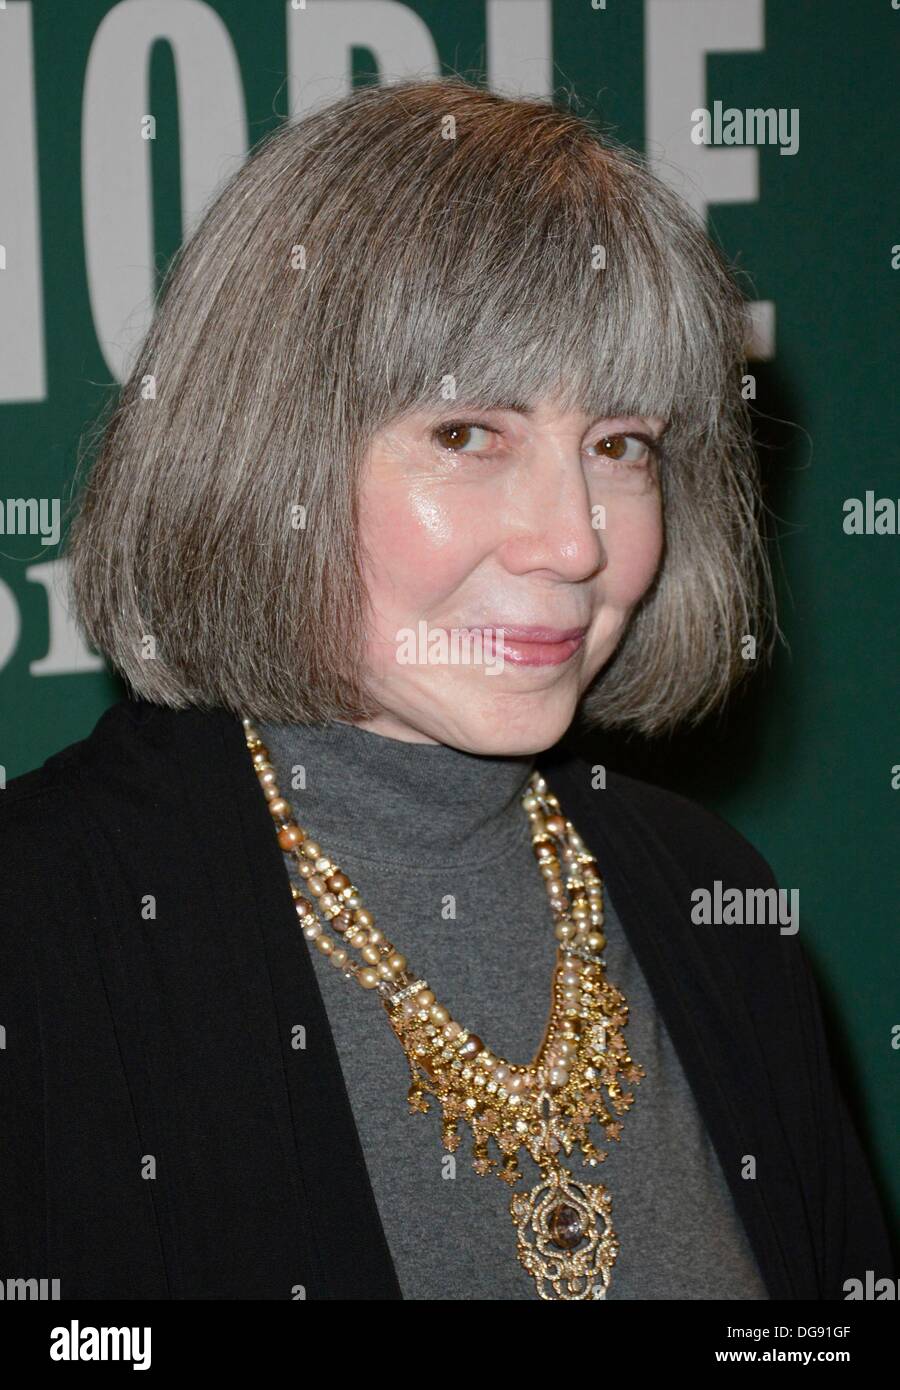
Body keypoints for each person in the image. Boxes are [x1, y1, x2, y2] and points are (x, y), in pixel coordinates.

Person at [0, 77, 892, 1301]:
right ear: (271, 454)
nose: (574, 541)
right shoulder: (45, 933)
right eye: (470, 435)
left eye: (621, 446)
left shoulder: (714, 904)